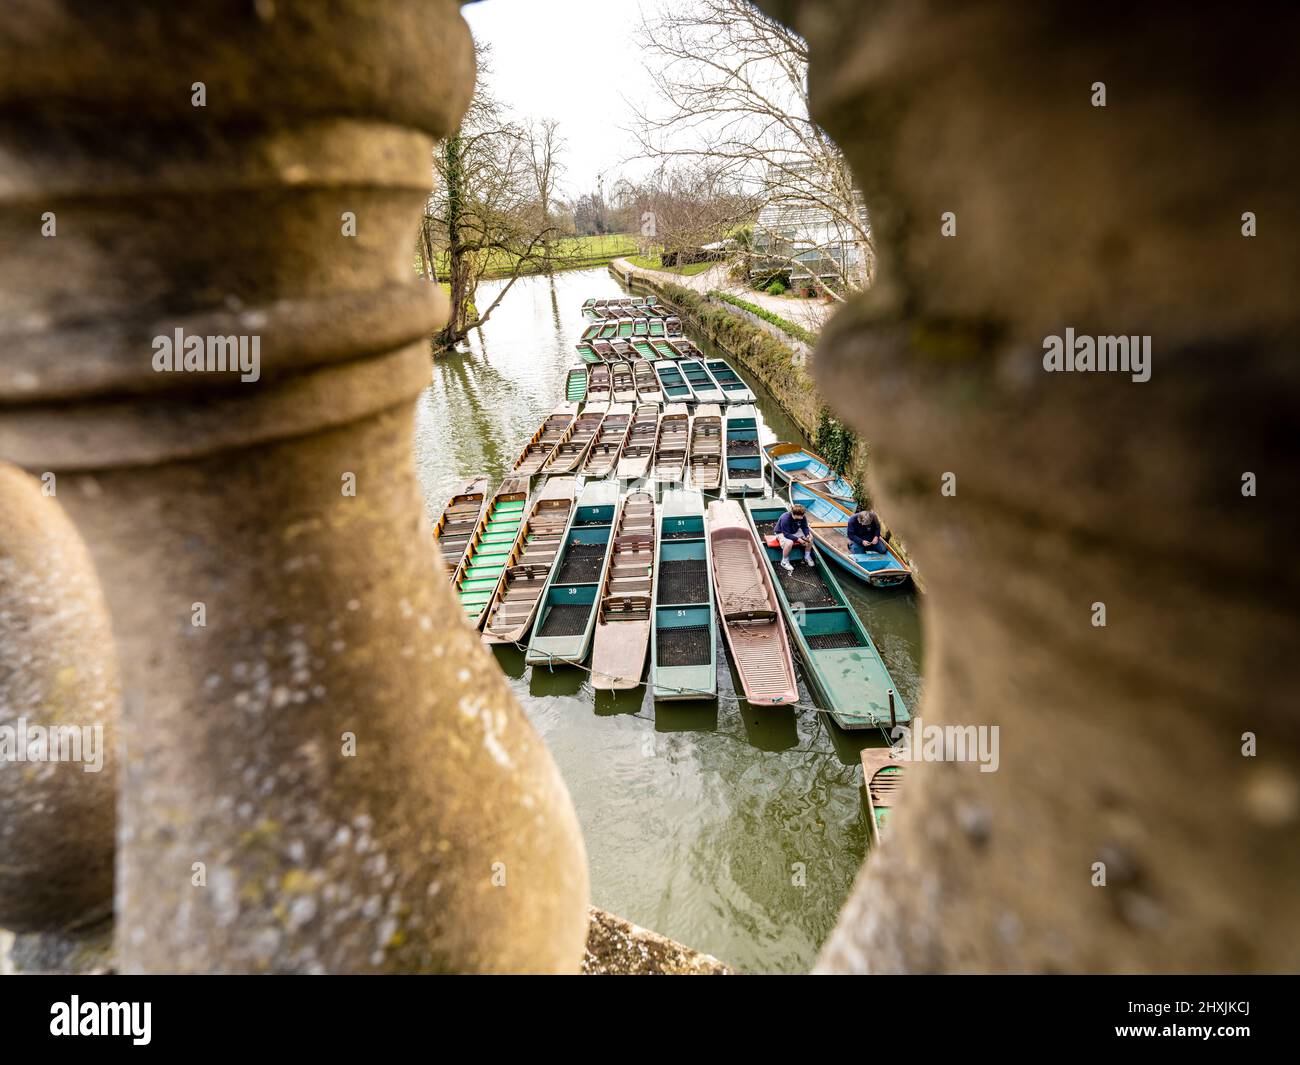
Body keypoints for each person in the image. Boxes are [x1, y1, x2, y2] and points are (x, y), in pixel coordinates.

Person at [774, 503, 814, 572]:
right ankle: (784, 561)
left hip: (794, 530)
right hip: (781, 533)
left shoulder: (802, 516)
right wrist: (798, 540)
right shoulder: (785, 518)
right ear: (794, 514)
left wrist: (807, 535)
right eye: (800, 516)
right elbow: (786, 534)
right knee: (789, 542)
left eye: (803, 515)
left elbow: (804, 527)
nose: (802, 517)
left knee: (810, 537)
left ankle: (807, 556)